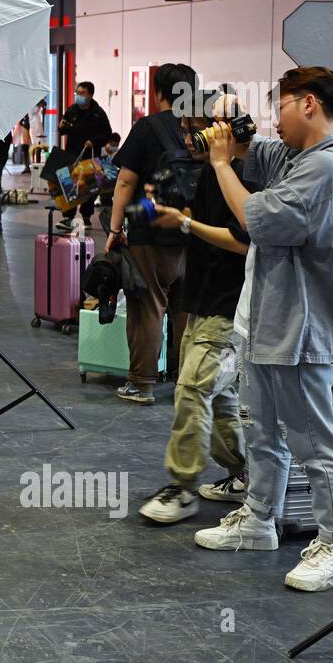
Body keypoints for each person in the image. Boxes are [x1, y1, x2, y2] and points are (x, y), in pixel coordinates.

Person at [194, 67, 333, 593]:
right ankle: (260, 520)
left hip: (301, 327)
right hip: (267, 319)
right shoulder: (297, 156)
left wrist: (222, 164)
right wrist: (230, 133)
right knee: (261, 433)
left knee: (313, 442)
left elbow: (254, 217)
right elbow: (256, 151)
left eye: (281, 107)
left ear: (308, 104)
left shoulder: (329, 167)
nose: (275, 120)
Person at [137, 93, 252, 524]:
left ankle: (183, 488)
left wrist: (186, 223)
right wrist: (173, 212)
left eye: (198, 127)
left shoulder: (247, 174)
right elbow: (204, 221)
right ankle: (243, 473)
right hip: (201, 299)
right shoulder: (210, 172)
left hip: (228, 304)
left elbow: (242, 240)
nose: (190, 135)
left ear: (228, 129)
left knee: (191, 388)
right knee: (218, 394)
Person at [106, 62, 196, 405]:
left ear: (159, 93)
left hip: (152, 233)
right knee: (187, 311)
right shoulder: (204, 128)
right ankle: (188, 385)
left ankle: (141, 384)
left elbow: (126, 181)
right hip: (196, 232)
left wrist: (116, 228)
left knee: (149, 308)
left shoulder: (147, 128)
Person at [56, 81, 113, 232]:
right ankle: (68, 216)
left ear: (90, 94)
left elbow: (107, 134)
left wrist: (93, 142)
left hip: (90, 156)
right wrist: (61, 128)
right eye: (77, 93)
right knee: (70, 185)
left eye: (81, 93)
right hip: (72, 154)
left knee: (89, 186)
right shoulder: (72, 110)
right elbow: (63, 128)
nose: (78, 96)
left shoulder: (98, 114)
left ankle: (86, 217)